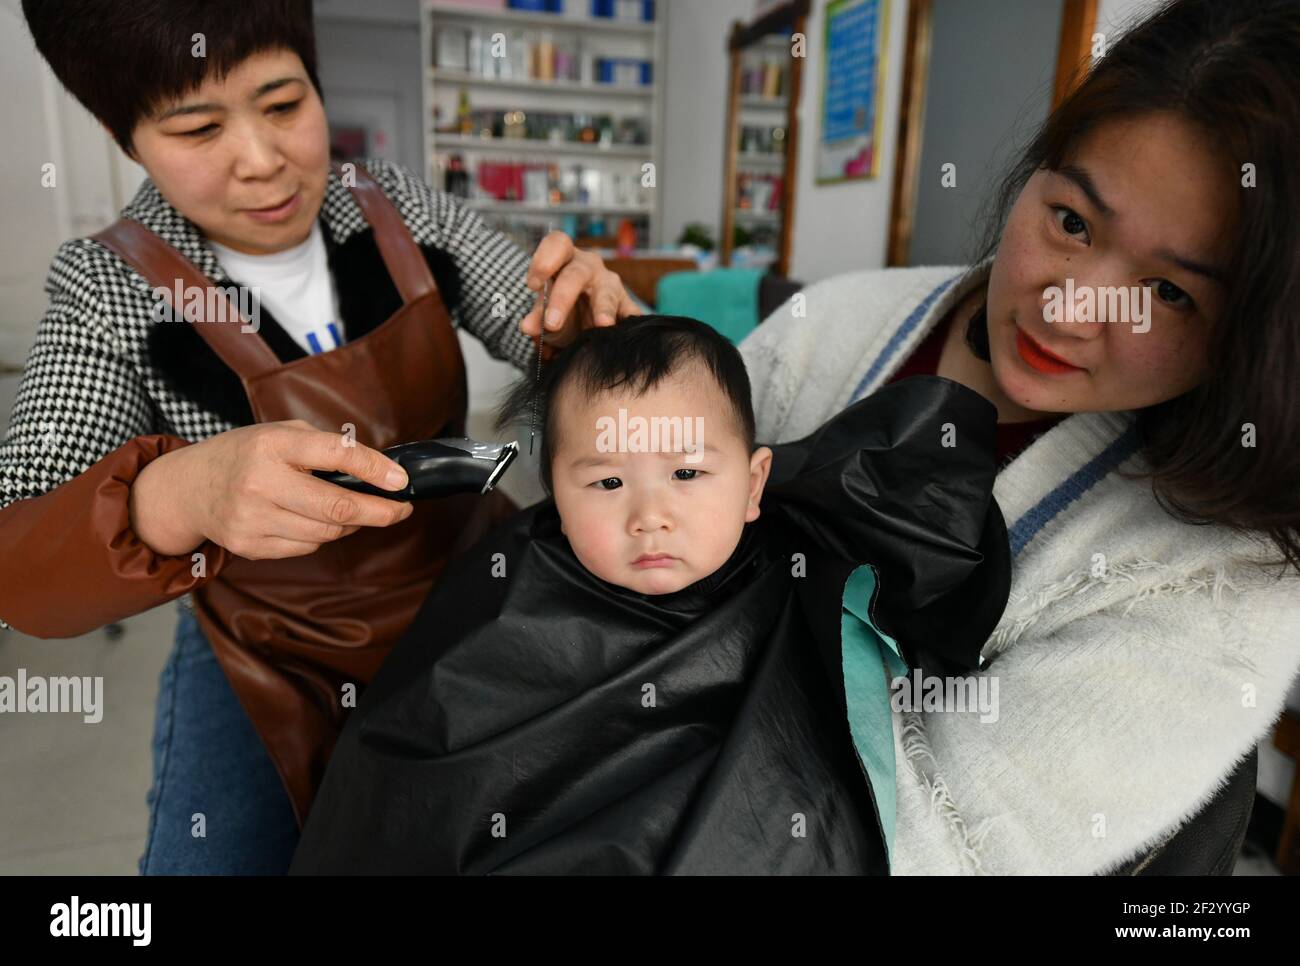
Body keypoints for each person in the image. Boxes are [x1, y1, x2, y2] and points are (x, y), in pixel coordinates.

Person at [1, 0, 638, 875]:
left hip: (468, 582)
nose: (263, 163)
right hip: (270, 640)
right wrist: (181, 492)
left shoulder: (397, 206)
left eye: (283, 104)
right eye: (196, 127)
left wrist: (588, 334)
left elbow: (540, 319)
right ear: (123, 135)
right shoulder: (108, 286)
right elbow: (21, 555)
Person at [739, 0, 1300, 874]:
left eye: (1169, 293)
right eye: (1072, 222)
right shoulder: (830, 325)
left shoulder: (1223, 586)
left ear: (1255, 337)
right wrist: (591, 384)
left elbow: (942, 851)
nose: (1068, 310)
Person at [289, 315, 1011, 874]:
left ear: (754, 484)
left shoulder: (802, 575)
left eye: (689, 475)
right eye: (606, 482)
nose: (650, 515)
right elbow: (415, 785)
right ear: (554, 497)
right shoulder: (506, 592)